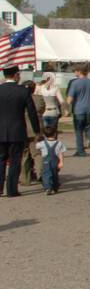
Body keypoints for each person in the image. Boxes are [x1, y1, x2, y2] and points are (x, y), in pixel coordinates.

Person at [0, 65, 42, 197]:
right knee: (15, 161)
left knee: (0, 160)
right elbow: (32, 113)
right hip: (17, 130)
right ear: (16, 75)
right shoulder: (23, 91)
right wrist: (36, 130)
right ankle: (12, 189)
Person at [66, 66, 90, 156]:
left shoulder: (75, 83)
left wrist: (67, 107)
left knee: (78, 130)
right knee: (88, 127)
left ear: (79, 71)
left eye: (75, 71)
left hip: (78, 109)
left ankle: (81, 150)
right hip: (89, 108)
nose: (74, 73)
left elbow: (70, 98)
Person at [36, 128, 66, 195]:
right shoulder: (59, 143)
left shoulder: (42, 143)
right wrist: (61, 161)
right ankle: (55, 187)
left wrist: (39, 140)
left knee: (46, 174)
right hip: (55, 161)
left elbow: (37, 147)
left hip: (46, 161)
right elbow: (61, 153)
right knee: (55, 174)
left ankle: (48, 188)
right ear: (55, 134)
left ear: (44, 135)